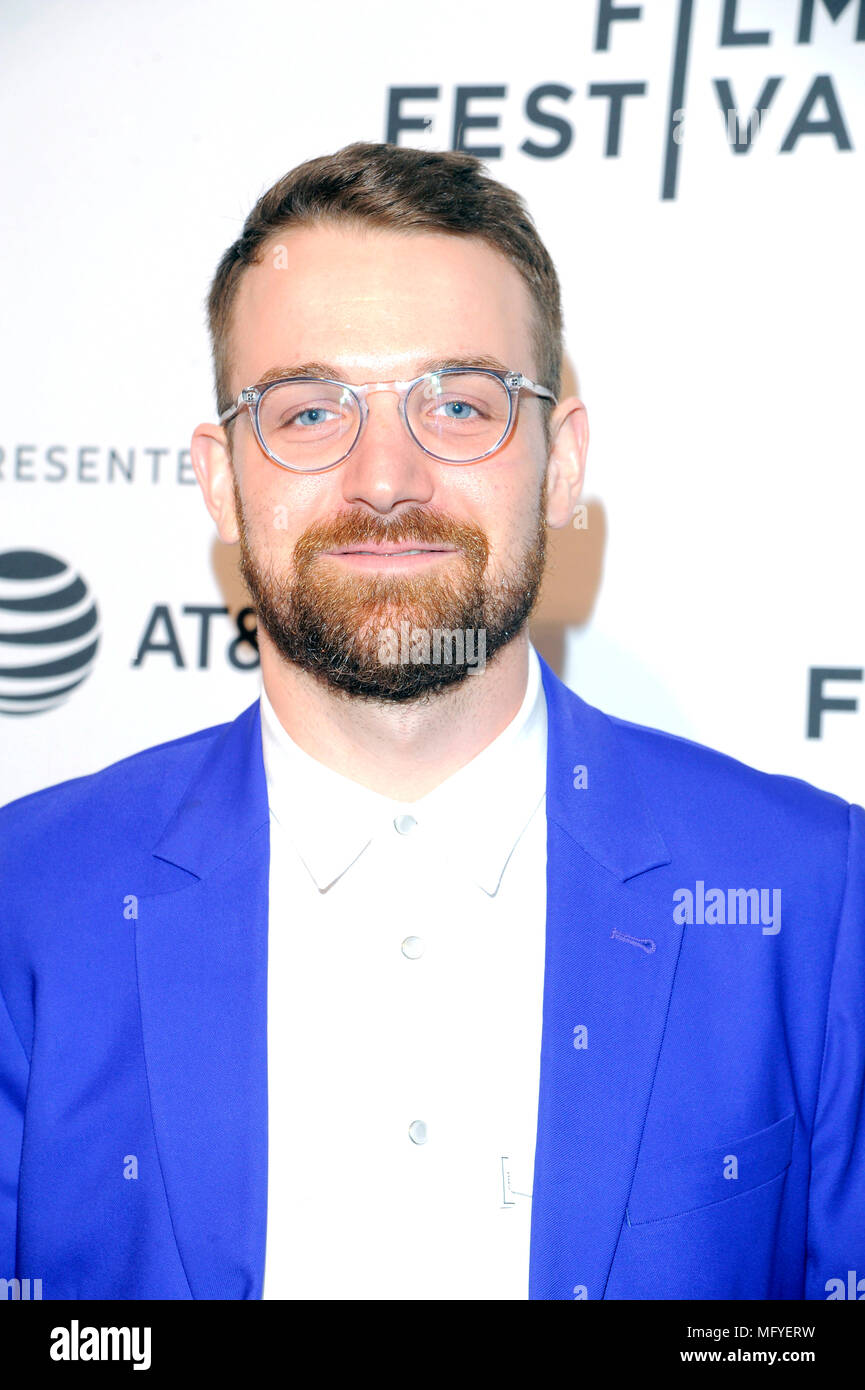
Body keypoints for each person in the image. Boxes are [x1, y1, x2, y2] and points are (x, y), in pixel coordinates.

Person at [1, 142, 862, 1302]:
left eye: (458, 404)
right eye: (309, 412)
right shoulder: (31, 898)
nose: (386, 477)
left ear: (560, 466)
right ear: (220, 478)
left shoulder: (808, 892)